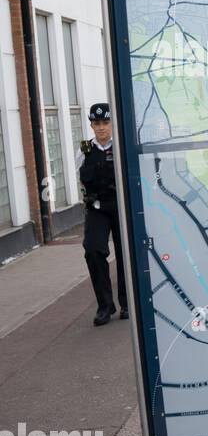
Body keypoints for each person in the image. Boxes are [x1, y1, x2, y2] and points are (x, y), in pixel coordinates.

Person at [78, 103, 128, 326]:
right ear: (91, 124)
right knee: (93, 250)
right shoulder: (84, 151)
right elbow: (80, 180)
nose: (100, 128)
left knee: (126, 253)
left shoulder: (122, 147)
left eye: (105, 122)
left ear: (112, 123)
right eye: (96, 123)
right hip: (97, 208)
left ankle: (128, 303)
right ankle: (105, 306)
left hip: (121, 207)